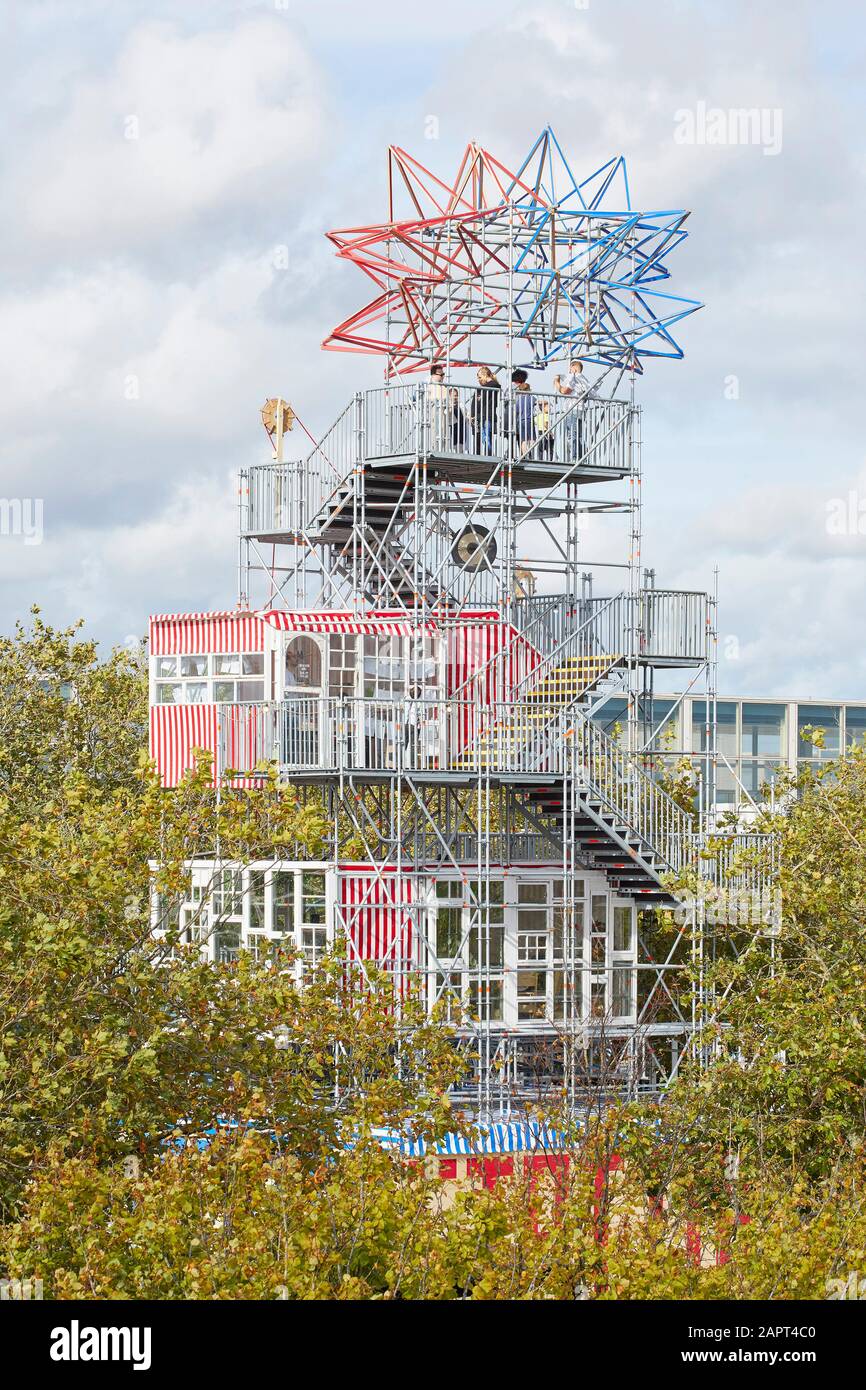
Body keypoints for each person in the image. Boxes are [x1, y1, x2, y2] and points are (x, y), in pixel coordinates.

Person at [469, 365, 501, 455]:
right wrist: (472, 415)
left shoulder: (492, 385)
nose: (478, 380)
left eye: (479, 377)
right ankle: (479, 455)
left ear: (485, 375)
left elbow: (495, 385)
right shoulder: (482, 388)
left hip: (486, 416)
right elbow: (476, 402)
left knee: (486, 437)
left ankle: (489, 455)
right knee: (479, 437)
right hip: (479, 416)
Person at [510, 368, 535, 458]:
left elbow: (513, 405)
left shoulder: (512, 389)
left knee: (519, 438)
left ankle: (520, 455)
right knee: (528, 438)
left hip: (516, 418)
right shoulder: (529, 395)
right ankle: (526, 454)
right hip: (526, 418)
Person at [427, 362, 448, 451]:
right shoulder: (429, 386)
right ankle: (435, 449)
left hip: (443, 414)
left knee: (444, 433)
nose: (443, 376)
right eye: (441, 374)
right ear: (433, 375)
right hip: (434, 412)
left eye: (443, 374)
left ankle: (442, 450)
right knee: (435, 432)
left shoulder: (444, 387)